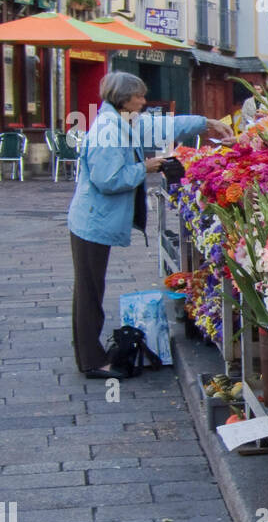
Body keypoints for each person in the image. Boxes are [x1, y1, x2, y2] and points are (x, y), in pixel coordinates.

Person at [68, 71, 231, 380]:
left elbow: (160, 126)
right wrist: (147, 166)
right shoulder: (108, 130)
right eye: (139, 96)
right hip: (90, 221)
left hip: (94, 219)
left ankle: (87, 350)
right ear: (123, 98)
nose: (144, 101)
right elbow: (109, 180)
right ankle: (91, 360)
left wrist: (205, 123)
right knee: (89, 289)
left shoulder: (122, 121)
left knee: (90, 287)